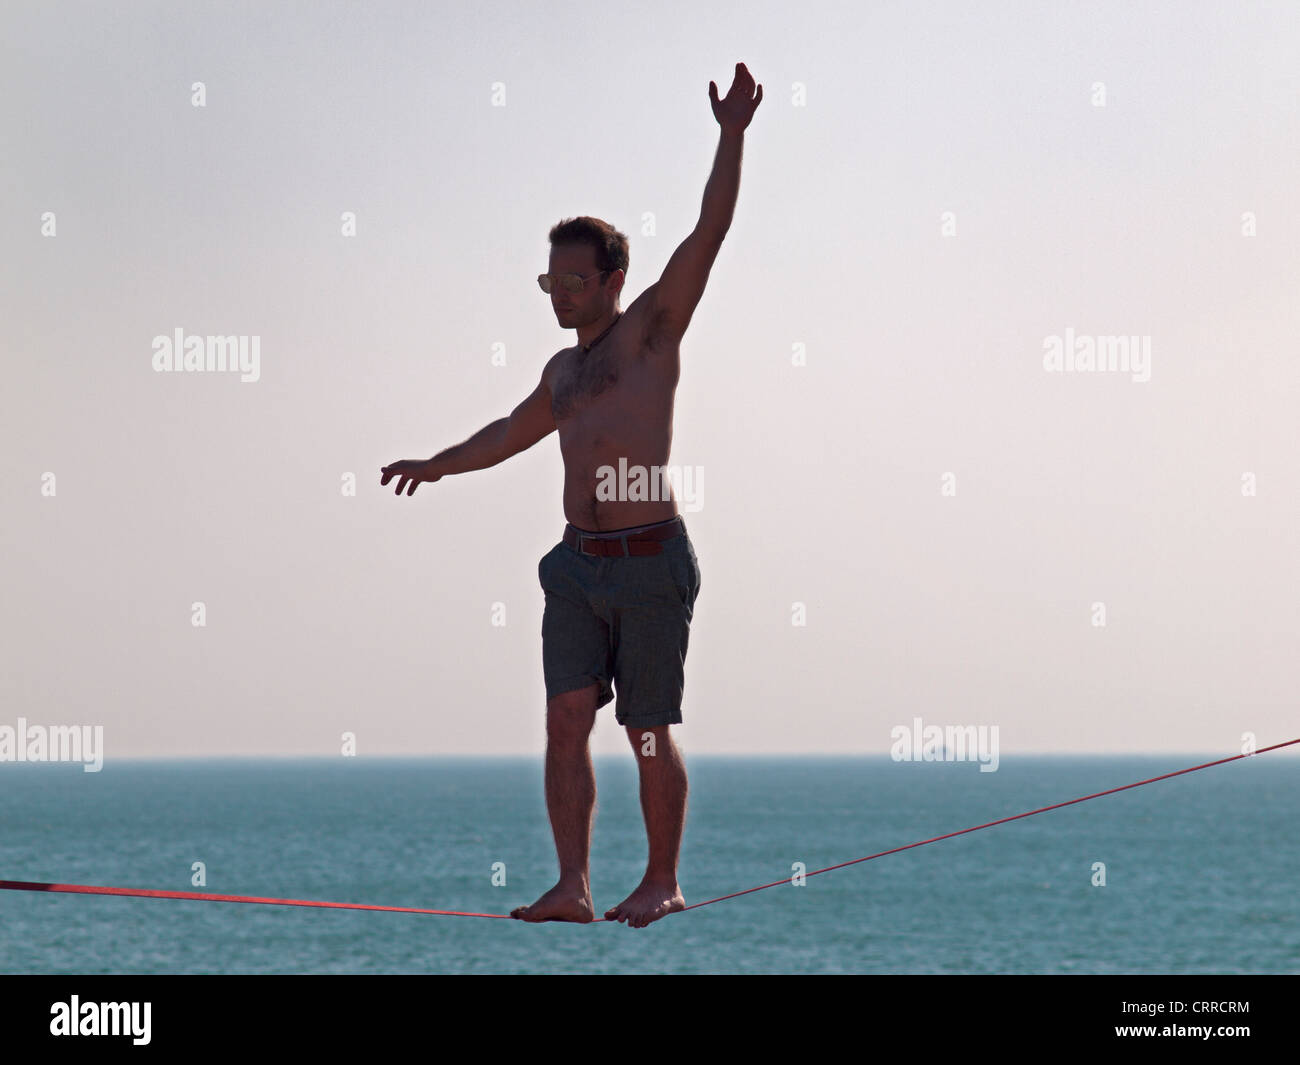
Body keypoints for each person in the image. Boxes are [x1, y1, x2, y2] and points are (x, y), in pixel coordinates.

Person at [381, 63, 762, 927]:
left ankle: (662, 878)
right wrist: (437, 464)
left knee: (649, 730)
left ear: (612, 279)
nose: (559, 293)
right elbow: (509, 431)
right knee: (562, 721)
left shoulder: (651, 331)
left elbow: (711, 229)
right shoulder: (562, 370)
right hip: (577, 565)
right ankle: (573, 884)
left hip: (649, 558)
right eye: (549, 281)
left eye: (573, 281)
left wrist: (730, 135)